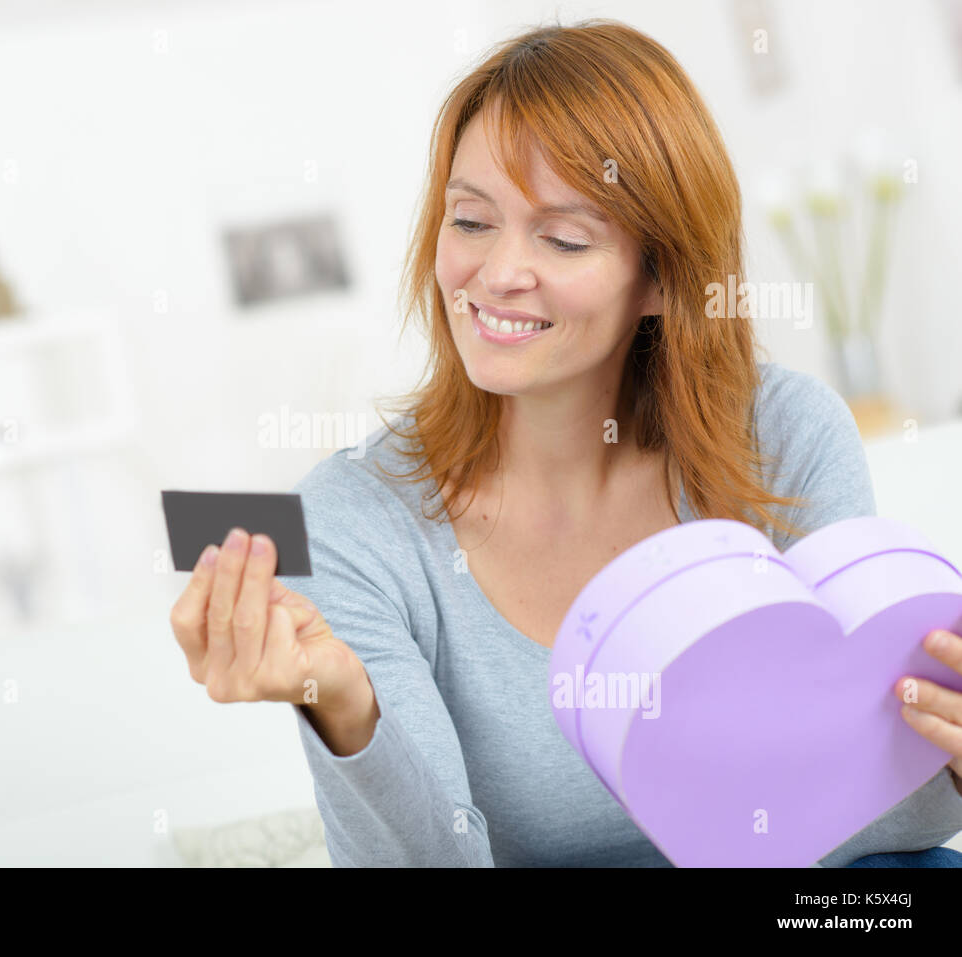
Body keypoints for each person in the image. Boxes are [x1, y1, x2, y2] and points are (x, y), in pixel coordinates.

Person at [168, 18, 962, 867]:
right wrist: (349, 709)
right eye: (471, 221)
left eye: (564, 238)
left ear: (660, 277)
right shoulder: (355, 519)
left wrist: (946, 763)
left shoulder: (785, 434)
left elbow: (878, 834)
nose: (500, 272)